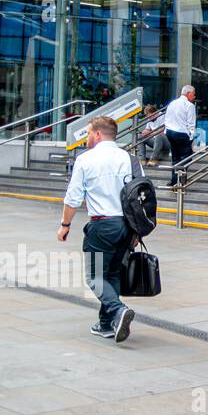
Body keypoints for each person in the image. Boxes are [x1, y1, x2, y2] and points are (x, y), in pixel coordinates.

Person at [59, 115, 136, 342]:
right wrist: (137, 231)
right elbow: (138, 195)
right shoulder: (128, 158)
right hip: (126, 226)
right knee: (111, 274)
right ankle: (106, 324)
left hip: (102, 225)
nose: (87, 137)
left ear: (98, 134)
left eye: (88, 133)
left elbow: (73, 199)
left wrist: (65, 225)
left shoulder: (86, 159)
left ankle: (119, 310)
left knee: (94, 277)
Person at [162, 84, 197, 187]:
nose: (194, 97)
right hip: (181, 133)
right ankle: (180, 179)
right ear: (188, 93)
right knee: (187, 157)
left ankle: (174, 180)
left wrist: (166, 131)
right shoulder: (190, 105)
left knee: (175, 157)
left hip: (170, 132)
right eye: (193, 94)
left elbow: (166, 119)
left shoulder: (172, 103)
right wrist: (191, 138)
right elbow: (191, 124)